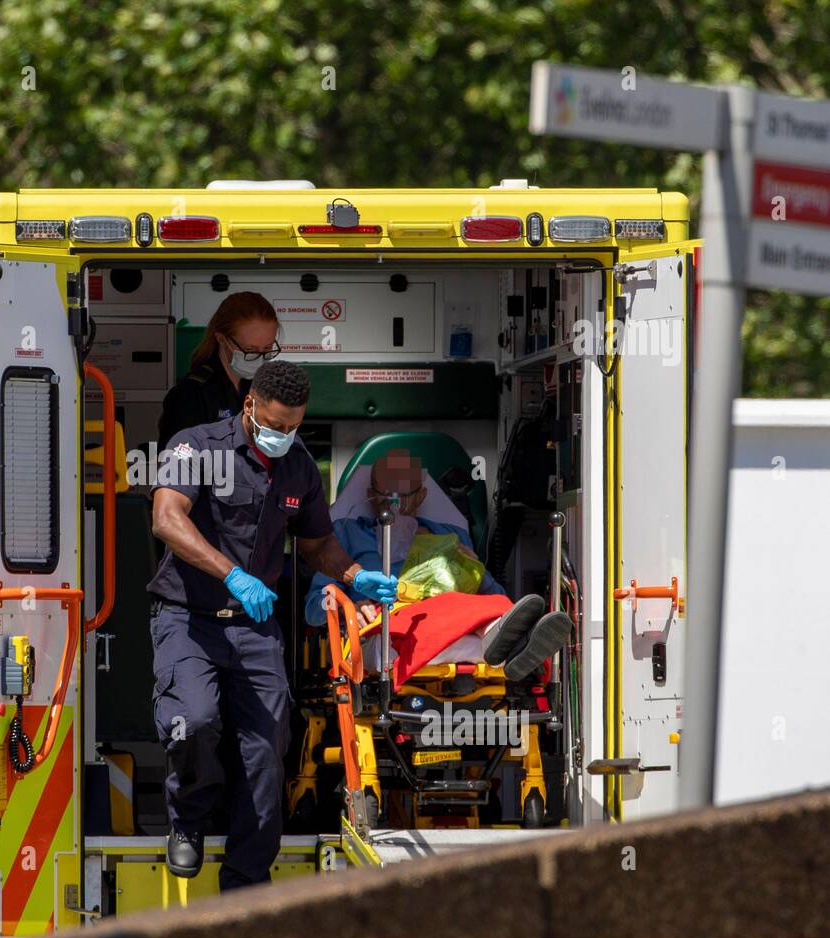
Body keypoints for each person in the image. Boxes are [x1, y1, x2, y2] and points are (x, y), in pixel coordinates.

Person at [147, 360, 397, 889]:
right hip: (188, 622)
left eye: (294, 426)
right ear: (250, 406)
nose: (284, 435)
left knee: (267, 749)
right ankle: (187, 821)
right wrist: (232, 574)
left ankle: (246, 885)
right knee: (193, 722)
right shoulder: (198, 446)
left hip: (254, 630)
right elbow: (167, 518)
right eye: (276, 424)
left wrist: (356, 575)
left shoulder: (299, 465)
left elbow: (316, 544)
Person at [305, 449, 571, 681]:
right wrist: (349, 608)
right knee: (431, 618)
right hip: (389, 619)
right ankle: (513, 646)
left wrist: (470, 567)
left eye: (403, 497)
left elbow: (493, 593)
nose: (394, 506)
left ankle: (503, 635)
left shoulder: (447, 538)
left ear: (421, 497)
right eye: (385, 497)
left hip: (450, 611)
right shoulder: (345, 535)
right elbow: (313, 609)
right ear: (369, 495)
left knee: (496, 605)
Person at [157, 291, 281, 446]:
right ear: (222, 339)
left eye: (267, 349)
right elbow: (175, 464)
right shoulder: (192, 395)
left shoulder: (261, 390)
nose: (259, 358)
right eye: (250, 350)